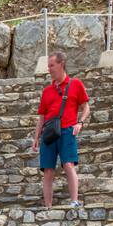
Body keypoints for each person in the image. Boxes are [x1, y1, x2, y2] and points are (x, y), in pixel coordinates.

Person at [31, 51, 90, 210]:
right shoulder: (47, 91)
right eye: (48, 66)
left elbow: (86, 107)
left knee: (68, 164)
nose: (49, 69)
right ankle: (48, 206)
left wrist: (80, 123)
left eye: (51, 65)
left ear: (61, 64)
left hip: (67, 130)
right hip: (49, 133)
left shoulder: (75, 84)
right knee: (48, 171)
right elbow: (42, 118)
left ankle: (74, 201)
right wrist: (36, 137)